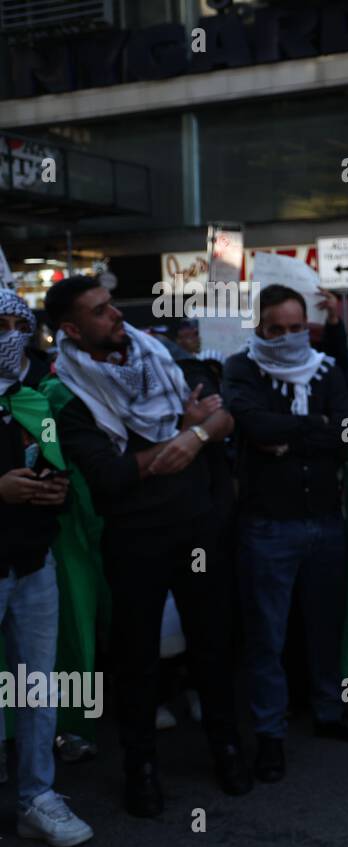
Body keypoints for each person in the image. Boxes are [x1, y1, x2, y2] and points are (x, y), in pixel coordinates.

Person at [48, 275, 251, 816]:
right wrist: (180, 434)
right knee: (136, 660)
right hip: (133, 540)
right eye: (98, 311)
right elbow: (110, 476)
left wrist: (196, 435)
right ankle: (140, 767)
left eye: (112, 304)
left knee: (213, 645)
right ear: (71, 329)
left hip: (199, 530)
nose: (114, 315)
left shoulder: (164, 358)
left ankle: (226, 749)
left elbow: (224, 415)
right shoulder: (69, 395)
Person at [223, 284, 348, 784]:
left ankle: (330, 711)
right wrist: (312, 428)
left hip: (326, 522)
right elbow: (255, 426)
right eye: (277, 330)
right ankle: (269, 733)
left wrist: (292, 432)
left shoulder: (327, 368)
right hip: (267, 526)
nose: (288, 338)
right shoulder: (241, 368)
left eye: (296, 329)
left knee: (325, 627)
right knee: (267, 636)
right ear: (259, 329)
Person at [0, 289, 93, 846]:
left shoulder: (36, 399)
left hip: (34, 564)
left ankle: (37, 796)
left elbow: (54, 460)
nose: (9, 333)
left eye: (18, 323)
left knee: (36, 686)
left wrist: (54, 487)